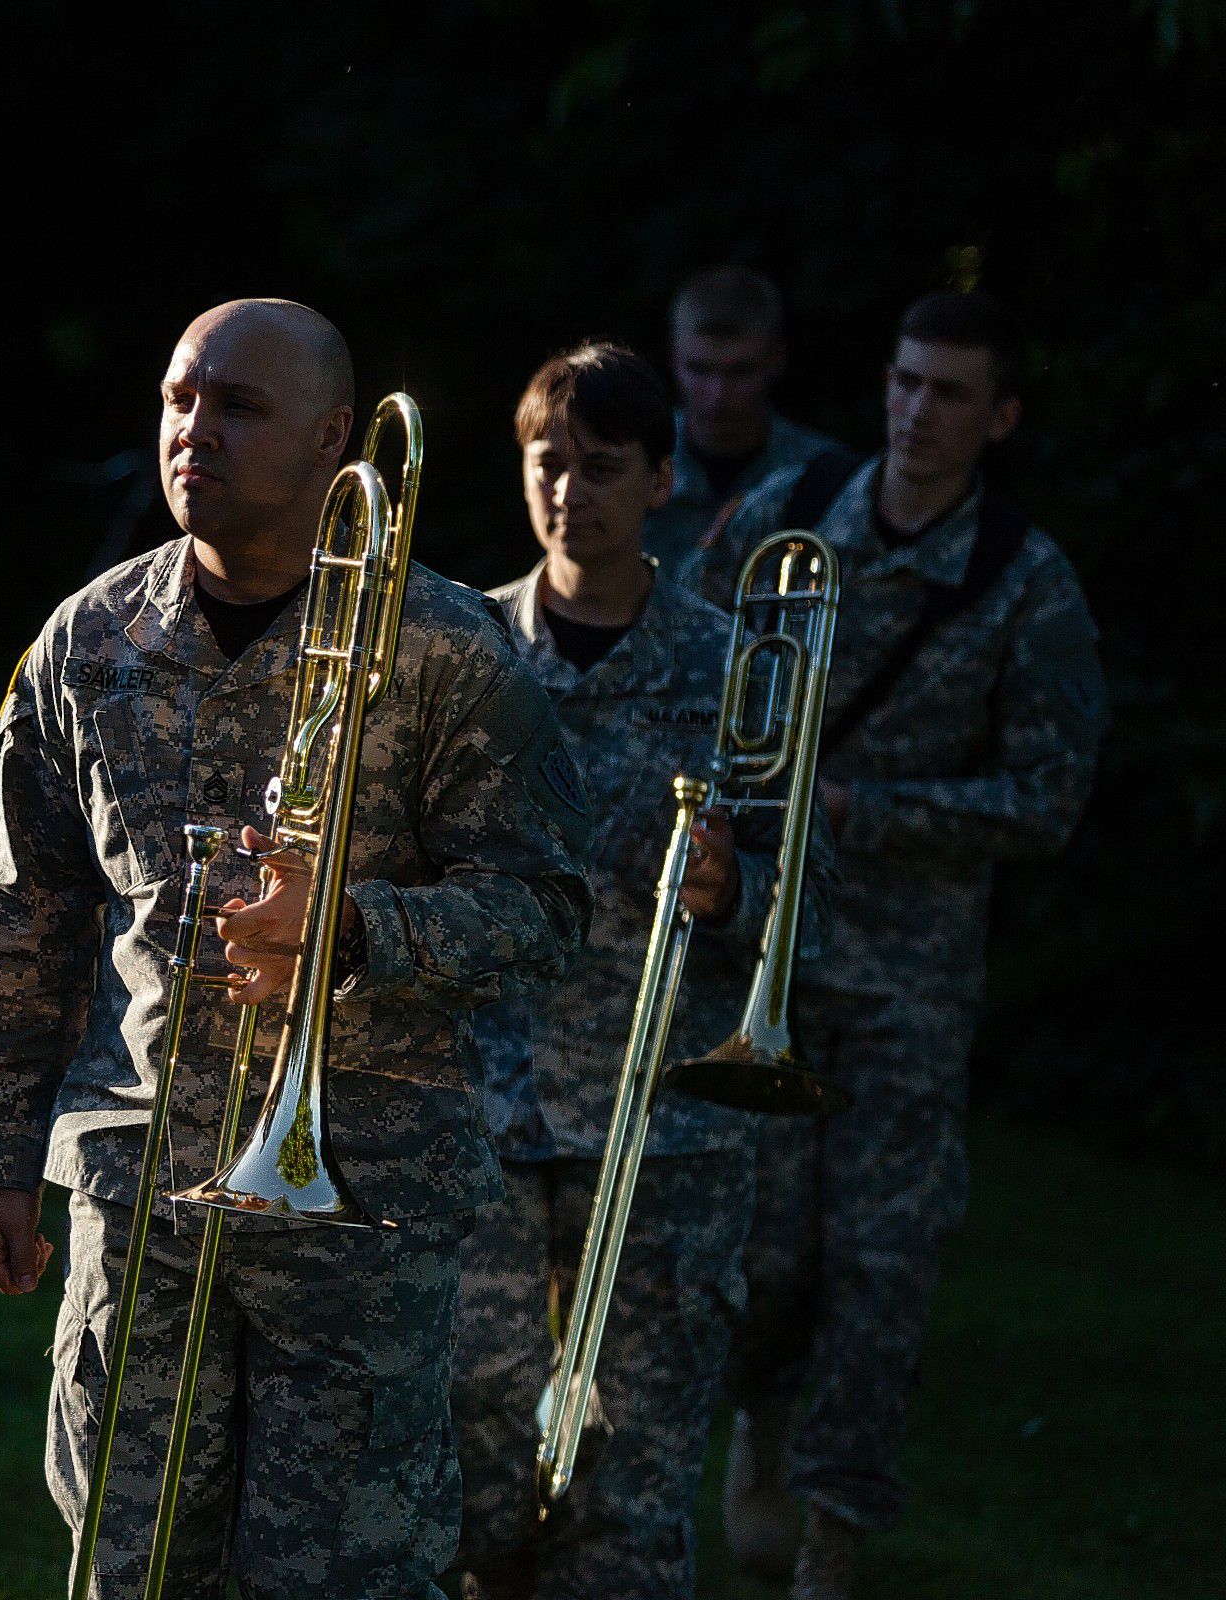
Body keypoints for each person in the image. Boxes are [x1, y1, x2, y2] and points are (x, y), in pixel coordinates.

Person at [0, 297, 591, 1600]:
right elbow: (28, 910)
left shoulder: (449, 650)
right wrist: (0, 1152)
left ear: (336, 440)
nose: (196, 432)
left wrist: (354, 929)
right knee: (130, 1575)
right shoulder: (90, 640)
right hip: (142, 1206)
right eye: (181, 399)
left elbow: (549, 915)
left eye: (239, 408)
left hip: (358, 1215)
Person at [689, 290, 1106, 1600]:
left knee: (883, 1267)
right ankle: (756, 1431)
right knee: (760, 1256)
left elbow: (1045, 800)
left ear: (1002, 417)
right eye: (906, 383)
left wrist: (870, 812)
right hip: (766, 948)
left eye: (952, 393)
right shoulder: (783, 521)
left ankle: (835, 1538)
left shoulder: (1025, 584)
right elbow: (692, 679)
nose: (920, 413)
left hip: (907, 987)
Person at [452, 343, 822, 1600]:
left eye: (602, 468)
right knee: (470, 1482)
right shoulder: (464, 651)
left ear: (662, 479)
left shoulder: (738, 670)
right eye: (547, 463)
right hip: (487, 1121)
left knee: (630, 1505)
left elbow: (801, 917)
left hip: (668, 1134)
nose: (568, 492)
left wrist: (733, 895)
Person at [643, 266, 843, 575]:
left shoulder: (823, 479)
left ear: (775, 358)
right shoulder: (633, 465)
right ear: (673, 356)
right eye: (699, 369)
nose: (718, 393)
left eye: (740, 372)